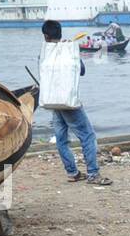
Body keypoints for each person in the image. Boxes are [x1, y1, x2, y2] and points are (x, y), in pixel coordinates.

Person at [40, 20, 111, 186]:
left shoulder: (44, 53)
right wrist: (71, 51)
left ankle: (72, 172)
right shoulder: (68, 50)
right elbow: (82, 71)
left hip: (52, 101)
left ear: (45, 36)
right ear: (60, 33)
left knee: (61, 139)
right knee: (88, 136)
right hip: (69, 102)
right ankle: (93, 174)